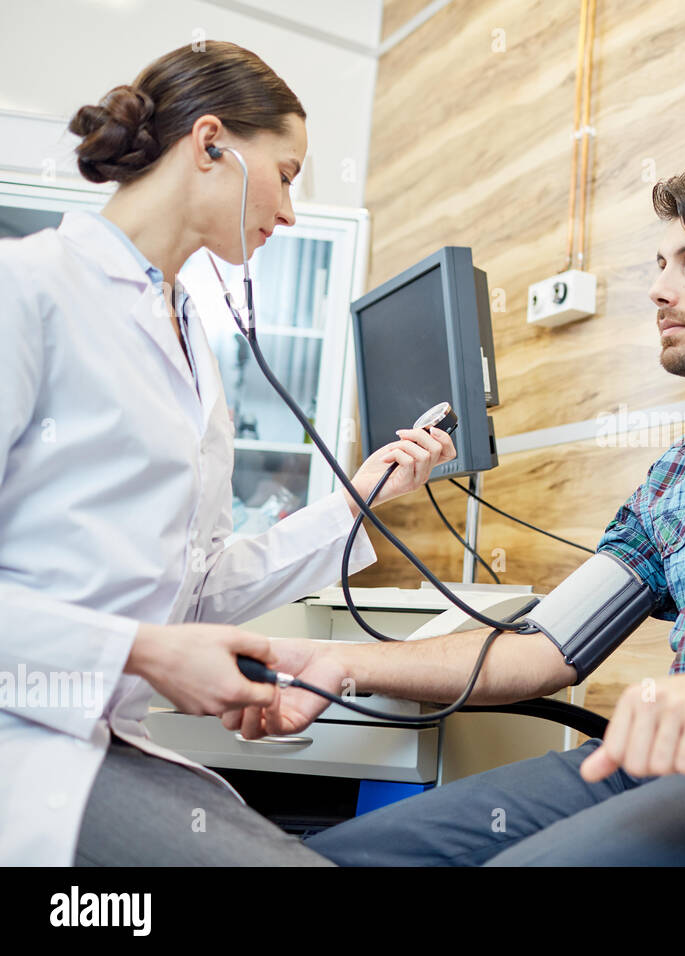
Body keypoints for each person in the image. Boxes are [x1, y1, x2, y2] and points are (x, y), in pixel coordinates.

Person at [232, 169, 685, 866]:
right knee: (345, 856)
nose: (658, 290)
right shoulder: (676, 476)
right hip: (674, 767)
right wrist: (346, 665)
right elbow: (544, 648)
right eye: (657, 265)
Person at [0, 41, 456, 866]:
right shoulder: (26, 288)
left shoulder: (191, 341)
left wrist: (358, 502)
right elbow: (152, 634)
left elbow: (197, 588)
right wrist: (142, 653)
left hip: (108, 738)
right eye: (285, 173)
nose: (288, 213)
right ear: (210, 143)